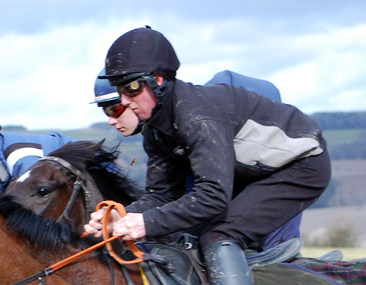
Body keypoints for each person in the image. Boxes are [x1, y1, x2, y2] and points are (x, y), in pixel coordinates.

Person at [85, 27, 331, 285]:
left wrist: (145, 225)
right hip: (255, 169)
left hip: (302, 166)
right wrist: (120, 218)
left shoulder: (197, 114)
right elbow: (162, 194)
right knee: (190, 230)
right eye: (120, 90)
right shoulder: (156, 127)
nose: (125, 101)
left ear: (158, 81)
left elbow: (212, 198)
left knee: (219, 234)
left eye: (132, 88)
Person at [92, 68, 302, 249]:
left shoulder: (192, 124)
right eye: (105, 111)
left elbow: (204, 204)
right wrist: (120, 216)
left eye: (115, 109)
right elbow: (163, 197)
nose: (111, 120)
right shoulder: (160, 134)